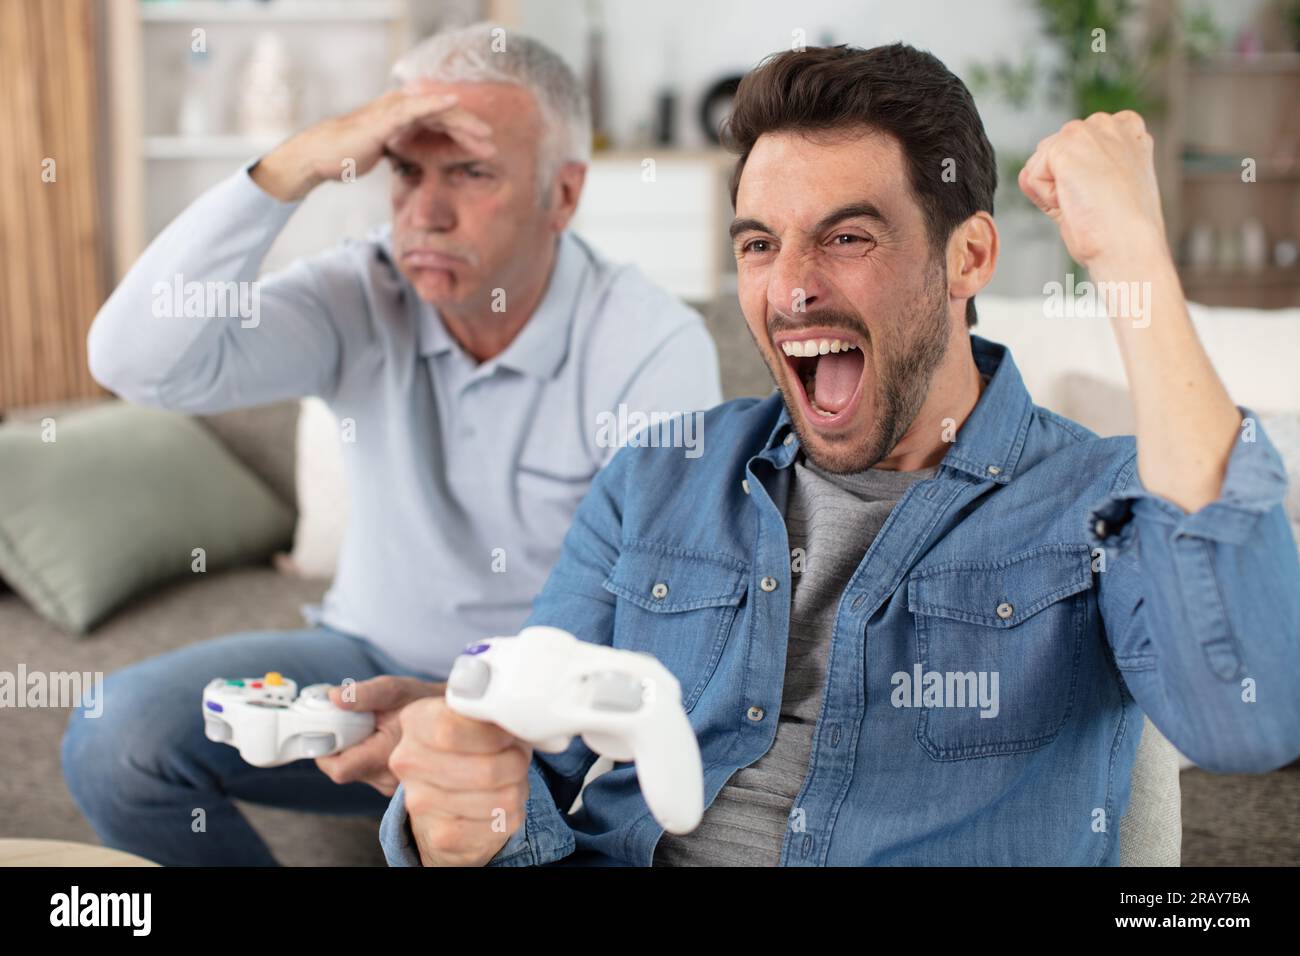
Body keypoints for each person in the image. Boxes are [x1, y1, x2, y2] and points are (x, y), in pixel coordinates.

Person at [380, 42, 1300, 867]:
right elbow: (525, 765)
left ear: (968, 258)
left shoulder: (1096, 498)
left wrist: (1130, 249)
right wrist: (466, 813)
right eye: (758, 244)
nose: (790, 289)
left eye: (847, 237)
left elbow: (1248, 719)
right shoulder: (657, 478)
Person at [62, 23, 721, 866]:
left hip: (546, 719)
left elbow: (665, 616)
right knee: (115, 736)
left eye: (471, 173)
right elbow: (133, 362)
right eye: (406, 171)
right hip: (362, 671)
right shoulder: (363, 289)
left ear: (562, 195)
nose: (425, 212)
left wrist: (459, 714)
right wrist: (290, 167)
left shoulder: (648, 344)